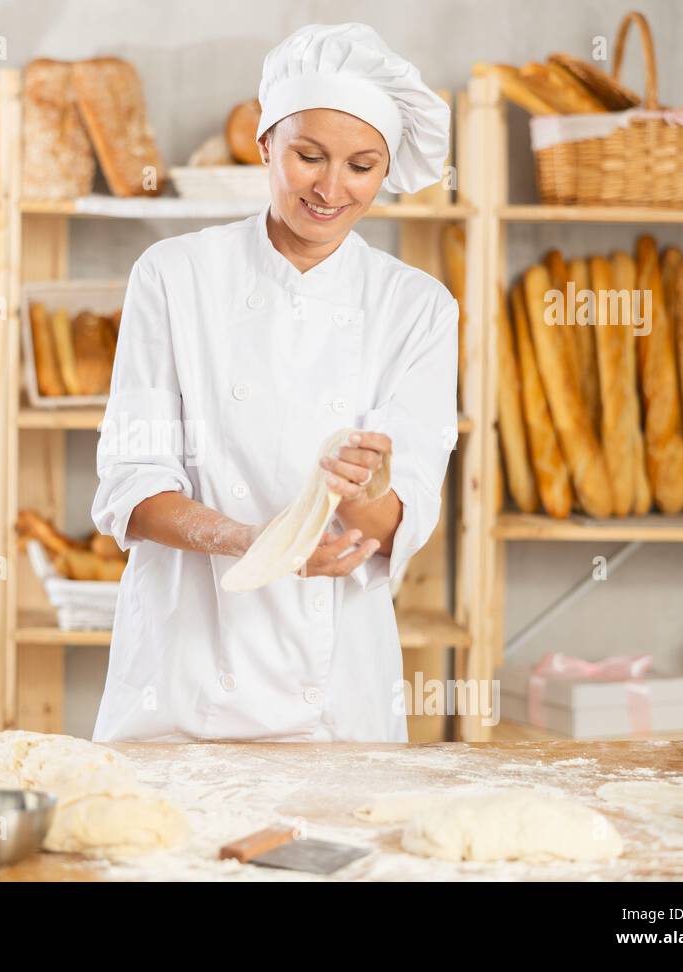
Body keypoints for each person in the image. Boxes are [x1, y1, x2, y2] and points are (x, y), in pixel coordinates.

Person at [91, 23, 458, 742]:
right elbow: (130, 490)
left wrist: (373, 490)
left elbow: (398, 525)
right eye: (308, 156)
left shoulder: (418, 307)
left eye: (361, 165)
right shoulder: (173, 276)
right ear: (264, 144)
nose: (331, 188)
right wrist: (258, 541)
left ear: (385, 172)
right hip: (183, 679)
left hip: (338, 696)